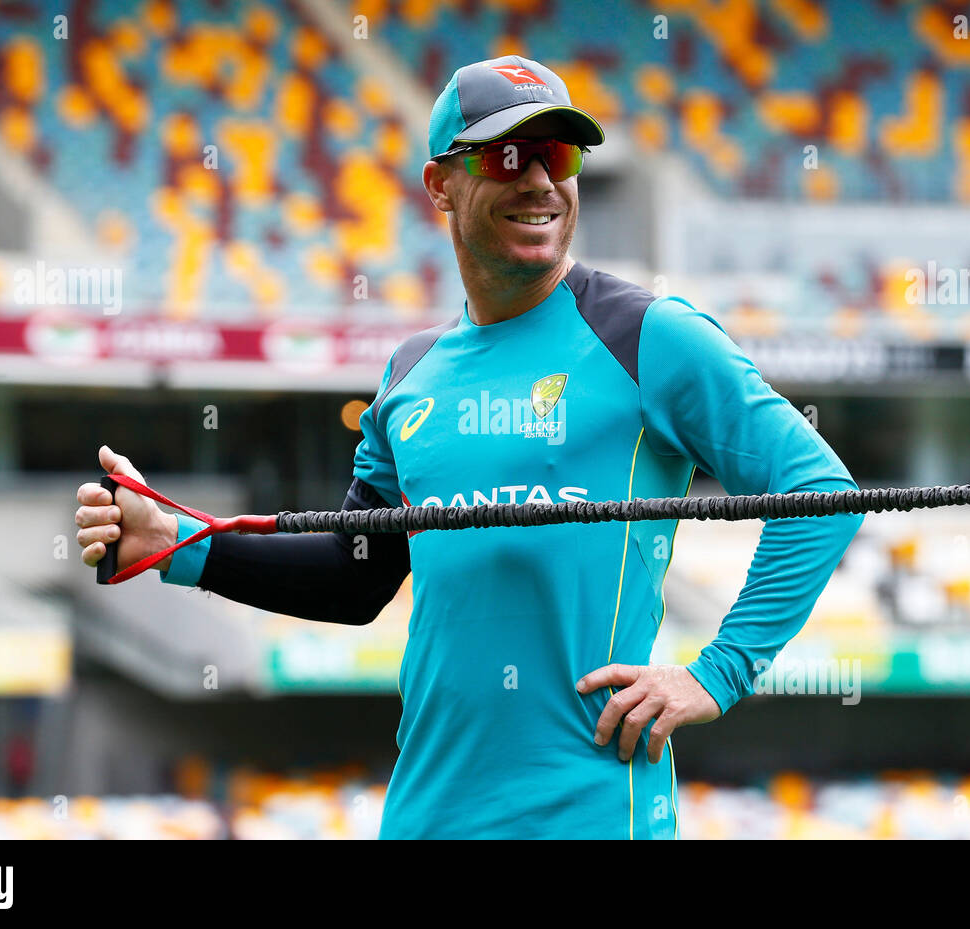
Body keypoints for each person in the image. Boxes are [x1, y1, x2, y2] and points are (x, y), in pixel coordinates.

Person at [75, 55, 864, 839]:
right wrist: (177, 542)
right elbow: (355, 580)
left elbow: (819, 493)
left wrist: (715, 675)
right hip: (426, 819)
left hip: (591, 819)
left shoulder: (650, 335)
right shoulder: (411, 374)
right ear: (440, 184)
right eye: (507, 154)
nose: (539, 182)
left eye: (558, 156)